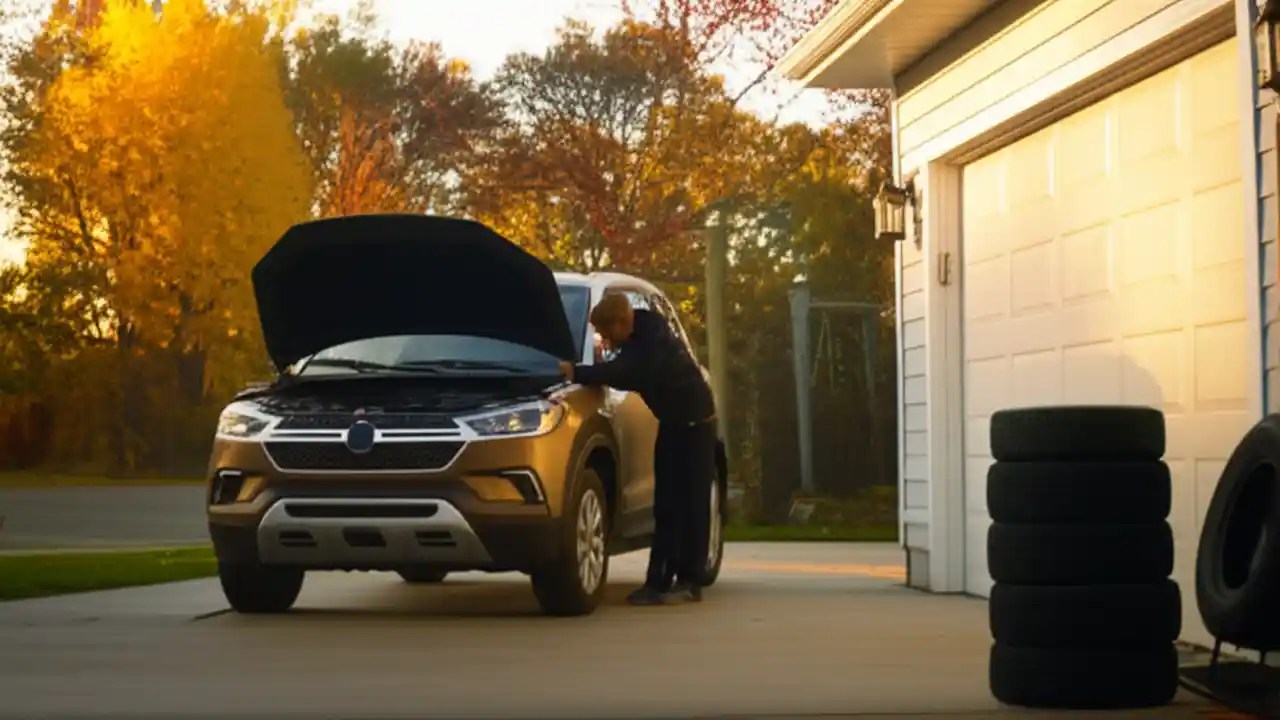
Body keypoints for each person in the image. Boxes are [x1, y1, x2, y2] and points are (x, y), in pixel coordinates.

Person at [558, 293, 716, 605]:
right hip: (677, 422)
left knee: (685, 504)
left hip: (694, 426)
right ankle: (671, 579)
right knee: (669, 504)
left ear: (621, 323)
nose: (605, 340)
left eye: (606, 332)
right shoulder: (646, 329)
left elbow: (621, 372)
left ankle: (679, 581)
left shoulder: (648, 348)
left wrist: (575, 372)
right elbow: (622, 364)